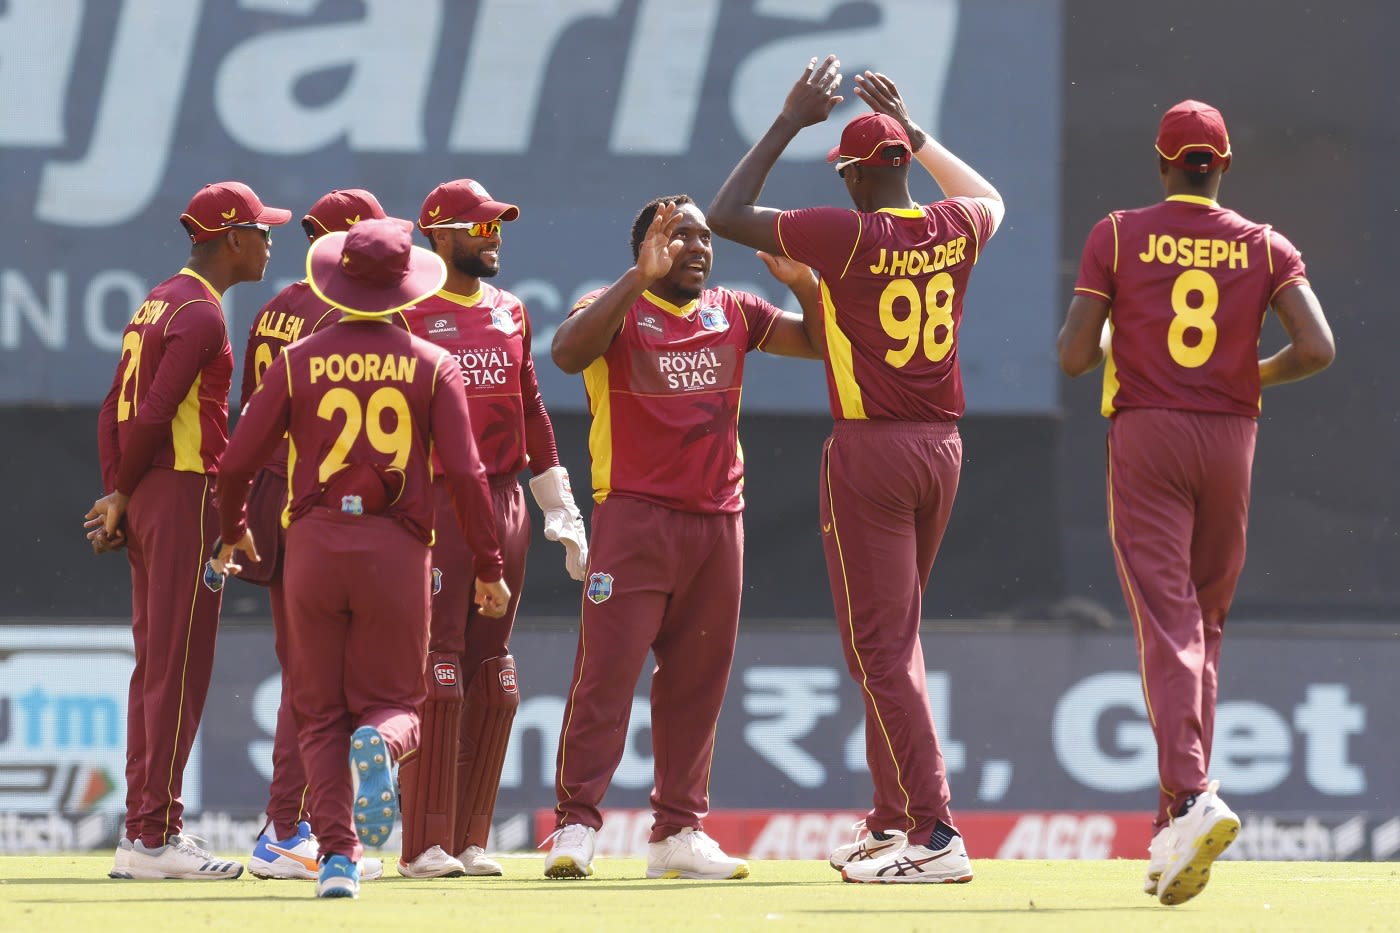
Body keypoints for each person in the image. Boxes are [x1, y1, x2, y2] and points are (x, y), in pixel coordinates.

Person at [707, 60, 1004, 884]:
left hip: (872, 450)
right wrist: (918, 133)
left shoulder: (848, 233)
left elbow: (726, 213)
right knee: (890, 643)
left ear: (850, 175)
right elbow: (994, 198)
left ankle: (936, 831)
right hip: (942, 447)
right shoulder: (955, 224)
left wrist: (789, 120)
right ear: (905, 159)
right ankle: (891, 819)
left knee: (879, 646)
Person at [1057, 99, 1335, 905]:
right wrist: (1250, 375)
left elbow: (1075, 357)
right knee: (1204, 626)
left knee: (1165, 618)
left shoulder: (1118, 233)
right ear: (1223, 167)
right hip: (1230, 438)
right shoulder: (1264, 242)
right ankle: (1171, 828)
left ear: (1161, 161)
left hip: (1149, 434)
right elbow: (1317, 347)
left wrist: (1113, 338)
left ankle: (1189, 794)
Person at [210, 217, 512, 899]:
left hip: (313, 545)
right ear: (408, 288)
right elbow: (465, 475)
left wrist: (233, 528)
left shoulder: (299, 358)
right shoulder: (434, 364)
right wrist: (489, 565)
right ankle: (382, 741)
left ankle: (338, 861)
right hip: (396, 548)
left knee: (318, 713)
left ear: (339, 283)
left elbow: (235, 463)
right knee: (398, 703)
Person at [541, 193, 822, 881]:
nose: (697, 247)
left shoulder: (733, 310)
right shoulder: (610, 307)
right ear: (647, 247)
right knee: (605, 677)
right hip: (633, 519)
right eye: (679, 236)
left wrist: (807, 285)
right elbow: (565, 356)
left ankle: (677, 832)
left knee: (697, 683)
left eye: (703, 237)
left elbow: (819, 343)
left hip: (717, 522)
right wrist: (636, 277)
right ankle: (576, 824)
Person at [86, 181, 292, 881]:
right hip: (182, 494)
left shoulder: (157, 300)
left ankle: (145, 830)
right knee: (178, 668)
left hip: (152, 492)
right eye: (263, 230)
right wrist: (122, 491)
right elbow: (153, 410)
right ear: (232, 238)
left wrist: (120, 490)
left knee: (158, 665)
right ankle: (153, 836)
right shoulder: (202, 313)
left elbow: (114, 404)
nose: (271, 242)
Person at [395, 178, 588, 879]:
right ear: (438, 235)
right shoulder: (408, 312)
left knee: (492, 676)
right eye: (480, 227)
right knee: (438, 670)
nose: (494, 236)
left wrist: (557, 504)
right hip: (439, 500)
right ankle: (423, 843)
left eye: (497, 225)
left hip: (505, 500)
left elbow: (532, 407)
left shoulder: (509, 309)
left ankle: (472, 836)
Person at [234, 189, 390, 883]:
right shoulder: (343, 313)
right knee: (321, 678)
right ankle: (286, 829)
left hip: (272, 493)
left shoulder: (273, 308)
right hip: (319, 504)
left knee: (308, 671)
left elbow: (250, 411)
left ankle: (295, 826)